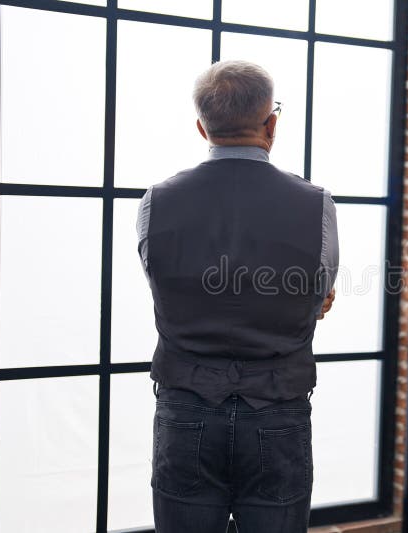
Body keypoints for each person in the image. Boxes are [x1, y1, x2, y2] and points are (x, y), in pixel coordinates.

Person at [136, 60, 338, 533]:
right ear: (271, 123)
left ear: (202, 127)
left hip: (185, 406)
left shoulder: (156, 200)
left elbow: (163, 284)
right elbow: (314, 300)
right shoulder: (317, 204)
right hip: (278, 407)